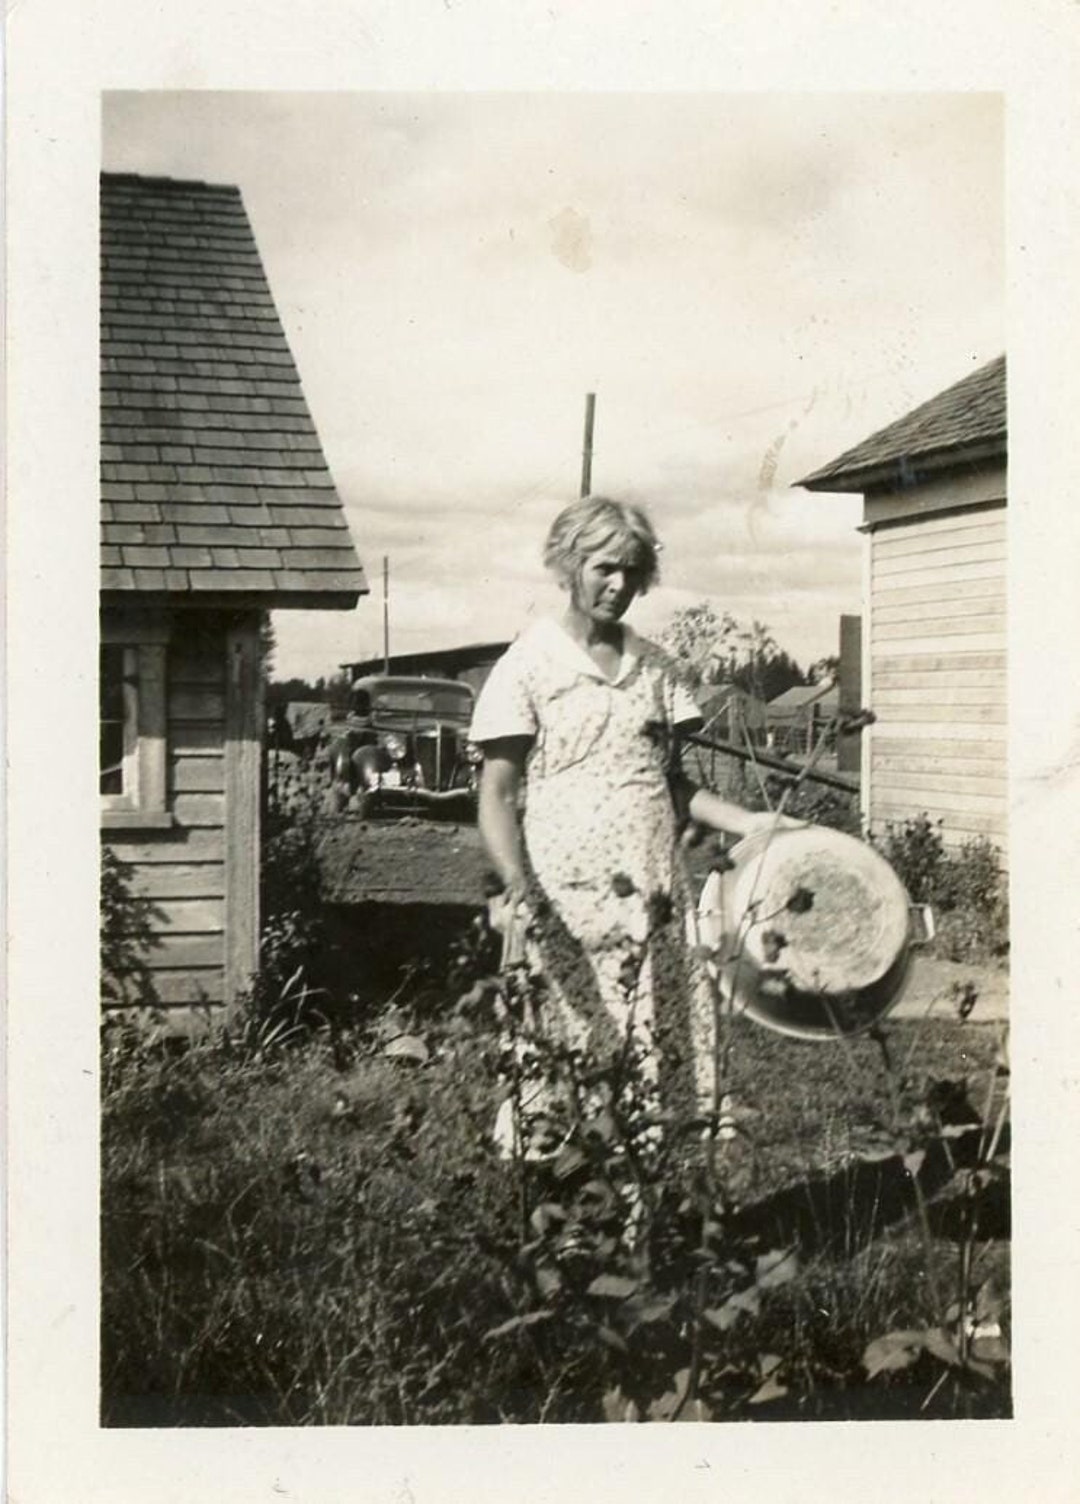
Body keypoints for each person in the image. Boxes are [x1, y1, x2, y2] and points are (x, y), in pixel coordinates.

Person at [470, 494, 792, 1118]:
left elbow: (671, 784)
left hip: (651, 886)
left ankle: (648, 1164)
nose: (619, 586)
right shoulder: (530, 664)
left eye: (632, 571)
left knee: (652, 1028)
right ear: (568, 566)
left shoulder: (656, 669)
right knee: (569, 1029)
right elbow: (499, 793)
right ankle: (561, 1160)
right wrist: (514, 887)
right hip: (562, 889)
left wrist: (750, 822)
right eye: (604, 568)